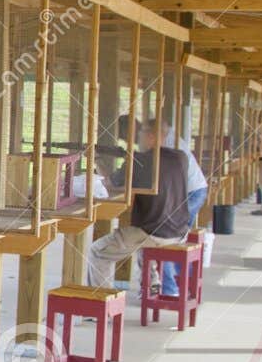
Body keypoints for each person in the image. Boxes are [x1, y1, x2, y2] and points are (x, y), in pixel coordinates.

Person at [86, 119, 192, 290]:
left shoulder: (140, 160)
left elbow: (109, 183)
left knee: (97, 252)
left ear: (150, 136)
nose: (138, 137)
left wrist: (96, 158)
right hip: (180, 231)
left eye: (141, 132)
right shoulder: (181, 158)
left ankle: (101, 303)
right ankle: (152, 283)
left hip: (154, 233)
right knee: (142, 237)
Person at [160, 125, 209, 298]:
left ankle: (171, 289)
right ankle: (184, 286)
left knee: (166, 238)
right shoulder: (166, 138)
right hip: (193, 190)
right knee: (177, 239)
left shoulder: (166, 144)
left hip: (191, 192)